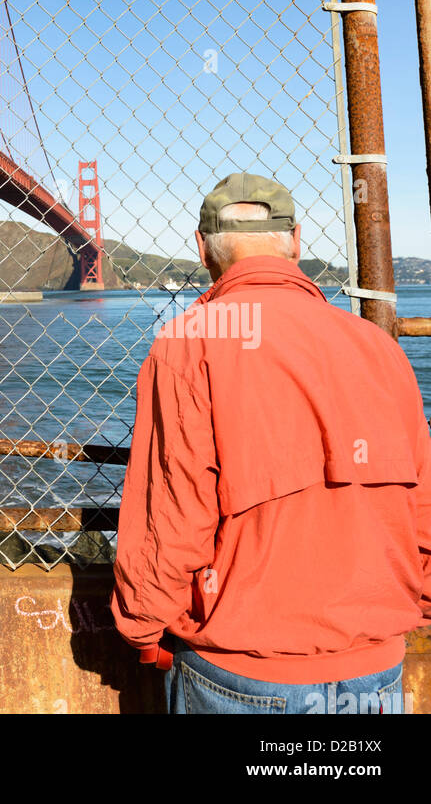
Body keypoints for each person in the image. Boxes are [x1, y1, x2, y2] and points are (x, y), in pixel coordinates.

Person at [111, 172, 431, 714]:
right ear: (297, 241)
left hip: (243, 674)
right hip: (377, 674)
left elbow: (171, 517)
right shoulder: (378, 347)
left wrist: (143, 627)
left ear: (201, 247)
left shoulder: (190, 343)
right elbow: (419, 505)